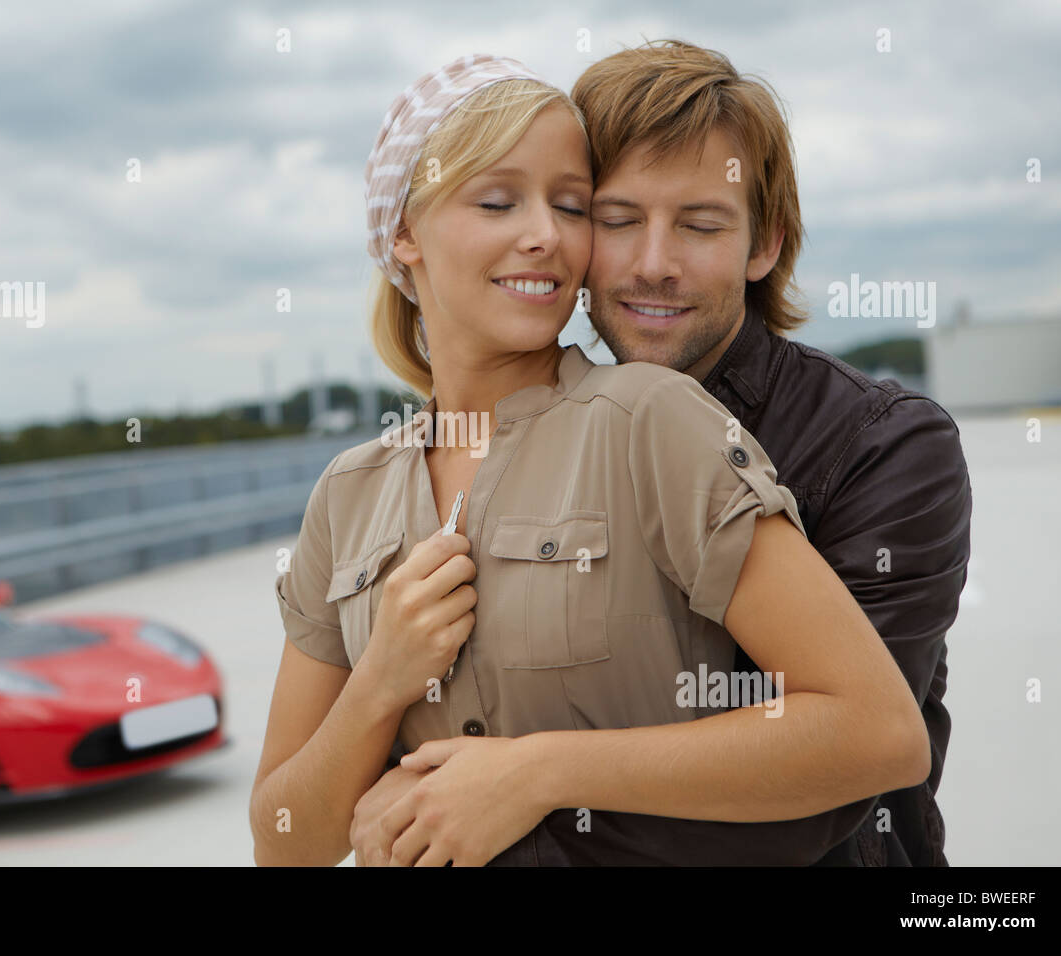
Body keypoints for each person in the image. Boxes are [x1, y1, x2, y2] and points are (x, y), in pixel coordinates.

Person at [249, 53, 930, 868]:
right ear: (402, 232)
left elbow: (876, 731)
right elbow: (283, 845)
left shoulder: (651, 417)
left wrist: (532, 777)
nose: (545, 235)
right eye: (499, 201)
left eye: (571, 207)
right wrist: (379, 683)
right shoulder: (347, 493)